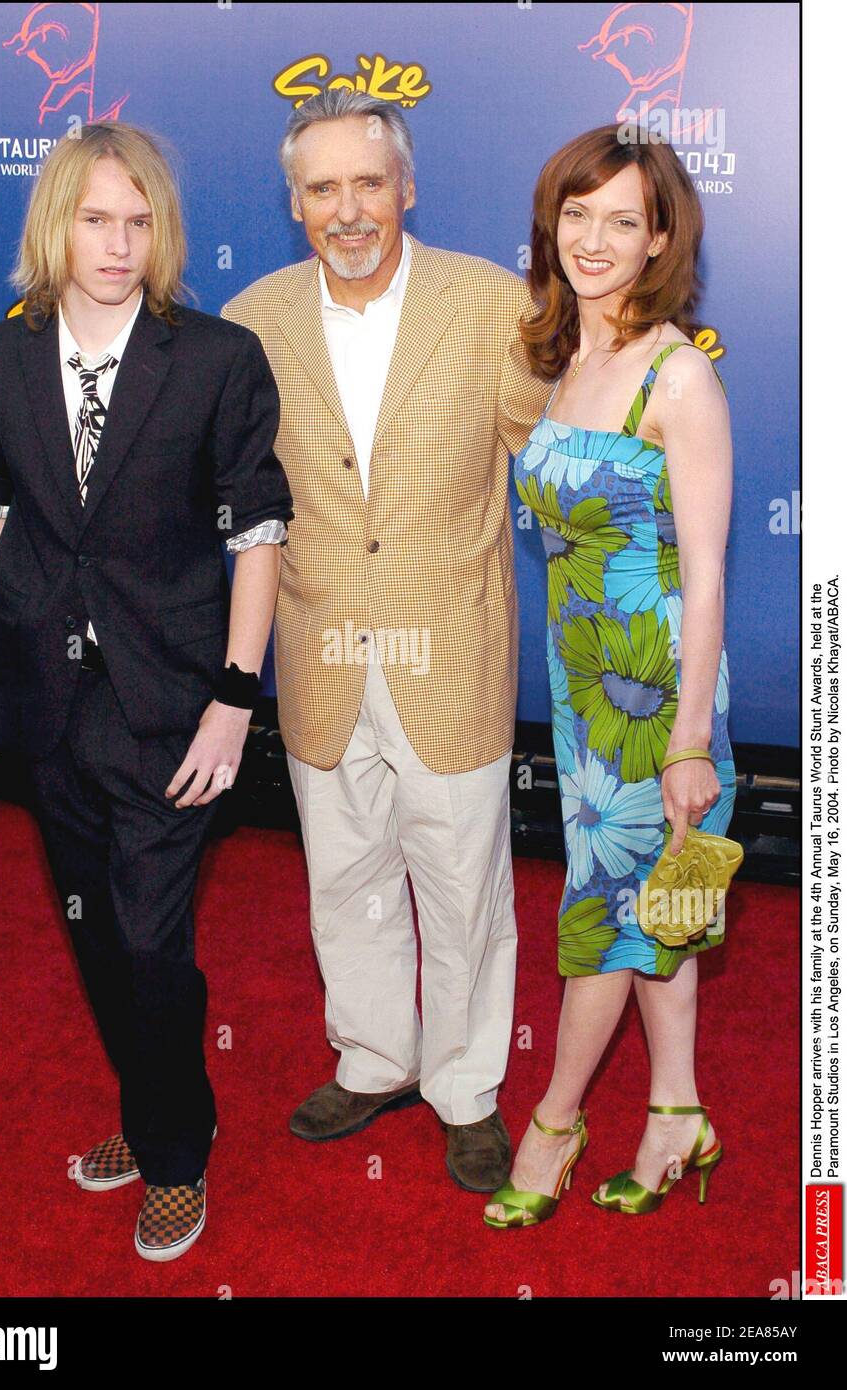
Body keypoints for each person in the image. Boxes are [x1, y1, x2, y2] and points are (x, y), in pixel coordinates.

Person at [0, 121, 293, 1260]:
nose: (117, 243)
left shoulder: (214, 359)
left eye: (139, 220)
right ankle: (157, 1108)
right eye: (97, 217)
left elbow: (257, 532)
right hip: (47, 698)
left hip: (174, 704)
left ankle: (173, 1153)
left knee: (154, 943)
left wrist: (233, 694)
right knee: (92, 931)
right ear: (54, 222)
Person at [222, 89, 552, 1192]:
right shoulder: (252, 318)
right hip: (316, 651)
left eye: (368, 183)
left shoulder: (490, 304)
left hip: (446, 650)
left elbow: (550, 463)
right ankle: (372, 1055)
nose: (347, 209)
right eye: (322, 189)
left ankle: (463, 1088)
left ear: (405, 188)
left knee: (462, 883)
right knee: (346, 873)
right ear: (294, 203)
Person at [484, 125, 734, 1228]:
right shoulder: (568, 362)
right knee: (656, 915)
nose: (592, 239)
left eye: (620, 220)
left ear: (658, 238)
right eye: (575, 214)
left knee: (604, 917)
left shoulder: (677, 379)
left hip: (654, 692)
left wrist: (687, 737)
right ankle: (674, 1108)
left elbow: (710, 574)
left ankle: (551, 1122)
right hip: (581, 689)